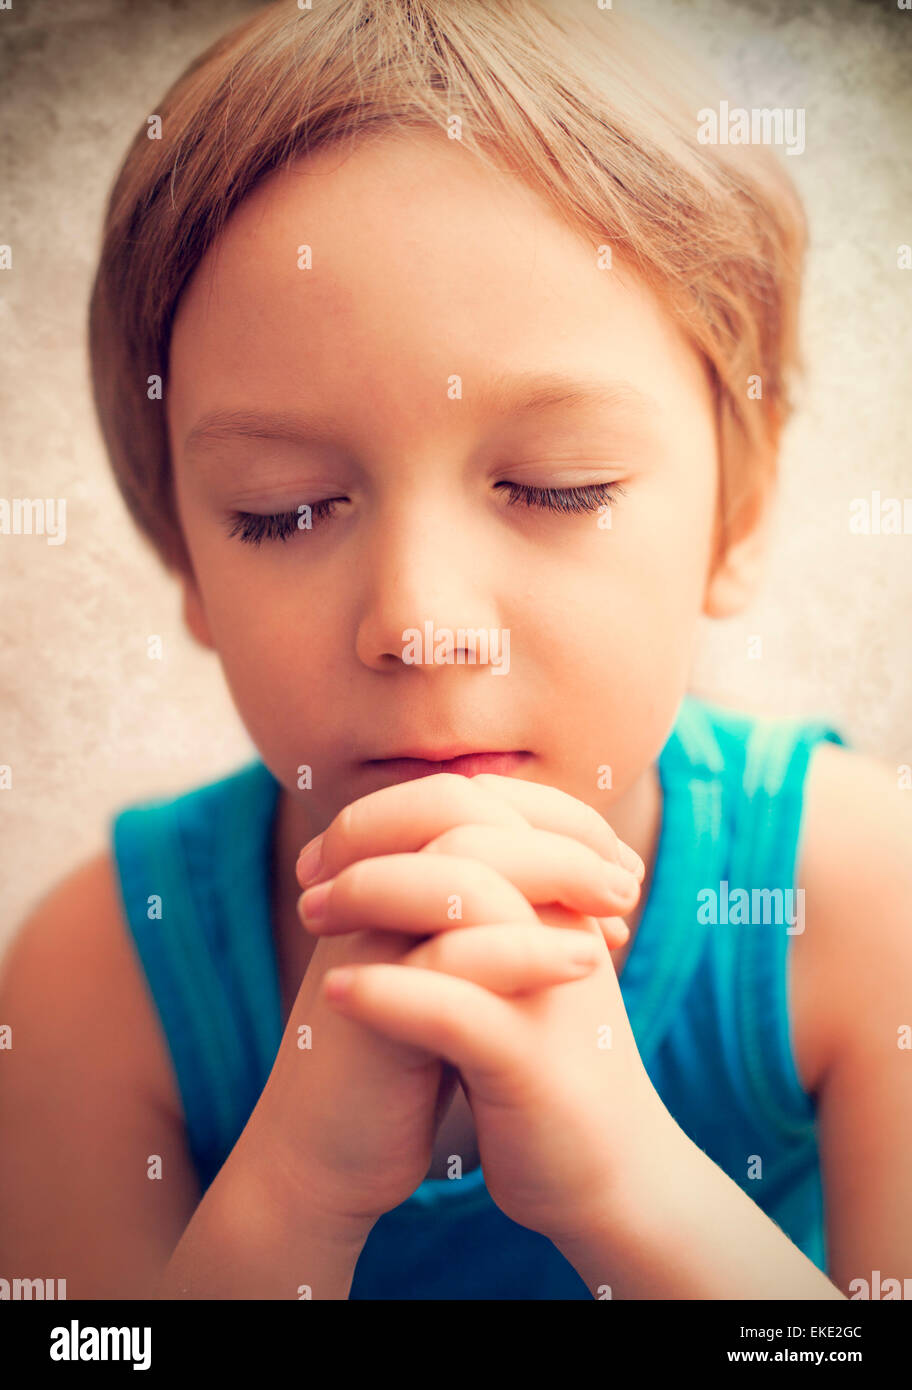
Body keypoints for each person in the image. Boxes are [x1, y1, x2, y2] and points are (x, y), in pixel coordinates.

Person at [1, 0, 908, 1300]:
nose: (421, 622)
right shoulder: (99, 980)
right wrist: (290, 1200)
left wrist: (635, 1194)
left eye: (556, 484)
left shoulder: (863, 900)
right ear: (185, 559)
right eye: (286, 508)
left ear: (737, 519)